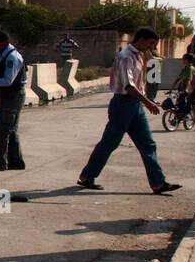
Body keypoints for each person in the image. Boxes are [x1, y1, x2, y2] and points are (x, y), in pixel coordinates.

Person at [78, 28, 182, 194]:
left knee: (148, 144)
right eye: (150, 43)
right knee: (109, 143)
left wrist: (146, 100)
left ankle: (158, 183)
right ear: (141, 39)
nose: (152, 47)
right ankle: (86, 176)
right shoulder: (126, 57)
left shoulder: (139, 55)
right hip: (123, 105)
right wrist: (148, 103)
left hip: (135, 106)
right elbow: (129, 86)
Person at [0, 30, 27, 171]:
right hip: (8, 95)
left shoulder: (12, 58)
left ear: (3, 43)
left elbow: (8, 80)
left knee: (1, 128)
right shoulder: (0, 54)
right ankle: (16, 161)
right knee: (11, 129)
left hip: (13, 95)